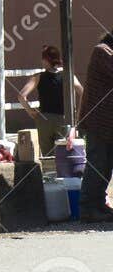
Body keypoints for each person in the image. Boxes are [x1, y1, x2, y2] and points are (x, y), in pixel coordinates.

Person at [18, 45, 81, 151]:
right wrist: (78, 114)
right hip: (64, 119)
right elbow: (83, 93)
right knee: (63, 154)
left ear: (46, 60)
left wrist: (31, 112)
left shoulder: (38, 77)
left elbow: (21, 96)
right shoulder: (68, 76)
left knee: (47, 157)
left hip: (44, 119)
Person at [79, 32, 113, 223]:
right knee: (97, 164)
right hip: (98, 122)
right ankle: (88, 208)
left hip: (108, 123)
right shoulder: (102, 52)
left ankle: (99, 204)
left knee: (106, 166)